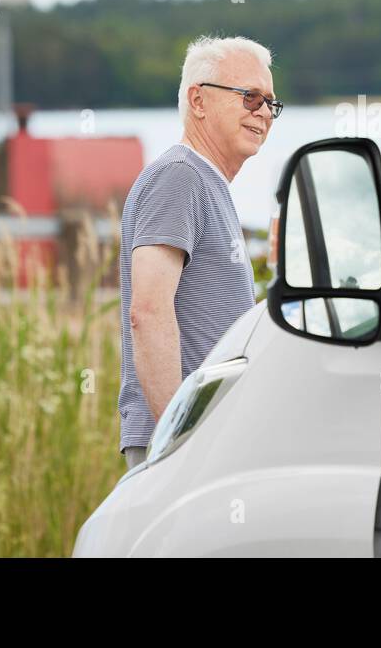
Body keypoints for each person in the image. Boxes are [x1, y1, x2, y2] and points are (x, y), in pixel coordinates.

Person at [117, 35, 280, 469]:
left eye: (270, 103)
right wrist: (180, 440)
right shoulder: (179, 177)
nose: (263, 112)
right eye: (250, 97)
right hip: (185, 444)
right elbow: (147, 313)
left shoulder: (207, 185)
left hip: (211, 438)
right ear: (199, 101)